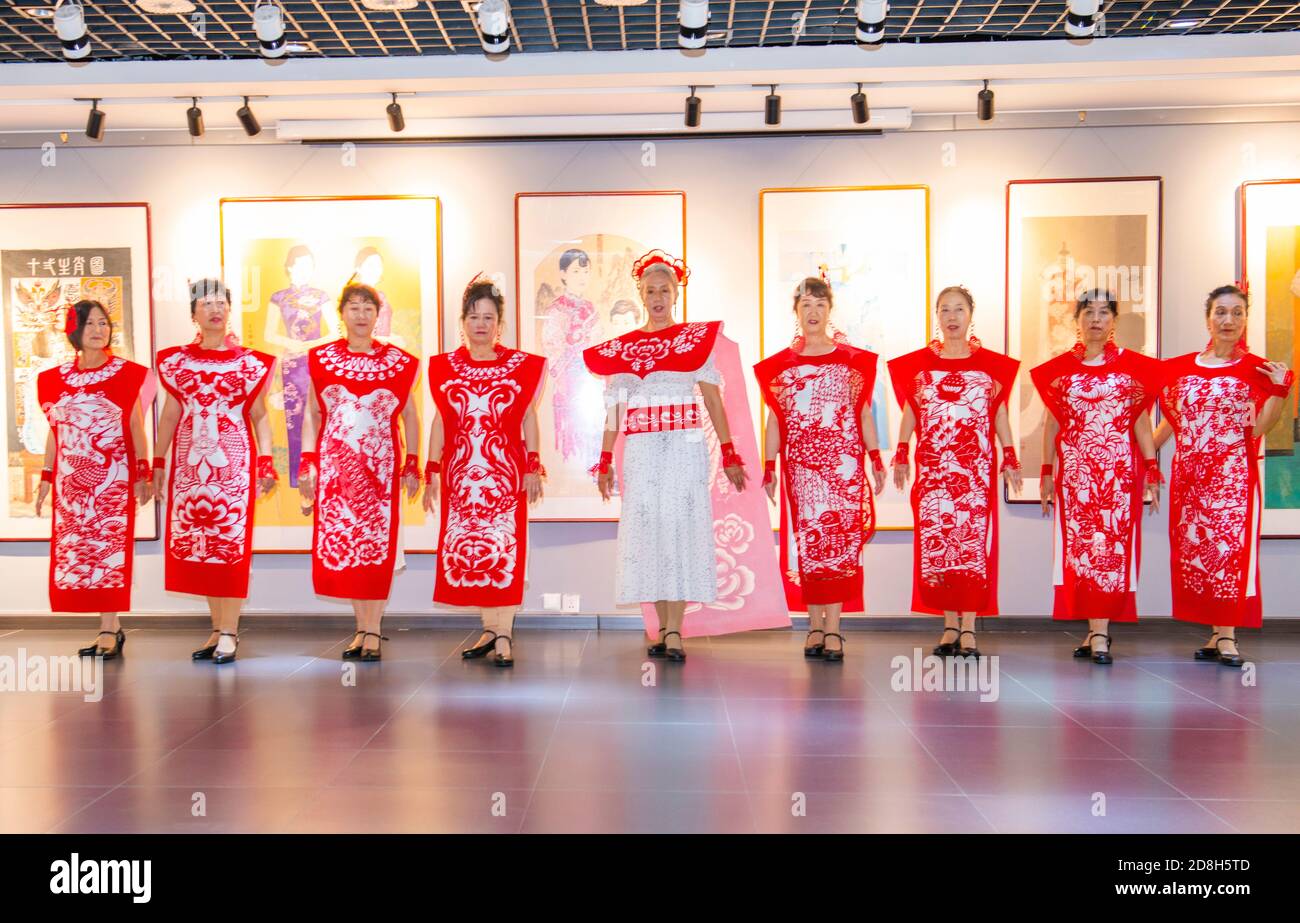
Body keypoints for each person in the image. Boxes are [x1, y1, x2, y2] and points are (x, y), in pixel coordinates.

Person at [582, 249, 748, 662]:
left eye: (664, 290)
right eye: (650, 290)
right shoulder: (625, 349)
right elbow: (616, 407)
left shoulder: (694, 342)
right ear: (641, 293)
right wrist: (604, 458)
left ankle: (674, 629)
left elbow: (713, 400)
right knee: (650, 534)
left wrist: (729, 452)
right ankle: (661, 627)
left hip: (683, 450)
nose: (657, 297)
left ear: (676, 294)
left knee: (679, 531)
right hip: (641, 452)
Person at [1154, 284, 1294, 667]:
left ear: (1246, 319)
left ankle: (1228, 634)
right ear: (1208, 318)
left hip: (1232, 478)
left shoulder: (1258, 370)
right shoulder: (1180, 368)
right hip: (1189, 478)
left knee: (1230, 553)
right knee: (1199, 553)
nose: (1228, 320)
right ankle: (1215, 633)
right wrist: (1147, 458)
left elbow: (1258, 428)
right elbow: (1170, 421)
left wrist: (1279, 392)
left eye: (1236, 312)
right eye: (1220, 312)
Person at [754, 276, 885, 662]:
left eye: (820, 304)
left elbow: (863, 412)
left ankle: (834, 629)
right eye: (806, 304)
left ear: (830, 310)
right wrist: (769, 466)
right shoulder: (783, 367)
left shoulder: (851, 360)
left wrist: (875, 457)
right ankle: (813, 626)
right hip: (804, 469)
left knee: (839, 547)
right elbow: (775, 420)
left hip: (842, 467)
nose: (813, 311)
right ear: (796, 312)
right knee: (810, 548)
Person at [888, 285, 1022, 658]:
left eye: (958, 309)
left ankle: (969, 629)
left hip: (973, 473)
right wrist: (901, 452)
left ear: (970, 315)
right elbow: (911, 412)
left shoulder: (990, 366)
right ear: (937, 316)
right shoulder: (920, 366)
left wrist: (1009, 455)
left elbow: (999, 413)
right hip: (934, 473)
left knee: (971, 547)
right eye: (944, 310)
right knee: (940, 547)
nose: (951, 317)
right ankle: (948, 624)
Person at [1030, 289, 1163, 664]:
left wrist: (1151, 467)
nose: (1096, 319)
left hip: (1117, 476)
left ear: (1114, 322)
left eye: (1104, 313)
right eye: (1088, 312)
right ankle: (1094, 628)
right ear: (1077, 321)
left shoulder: (1130, 368)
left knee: (1110, 551)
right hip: (1076, 475)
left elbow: (1139, 422)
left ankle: (1102, 632)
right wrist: (1046, 471)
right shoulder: (1061, 371)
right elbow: (1051, 423)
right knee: (1083, 553)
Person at [425, 276, 546, 668]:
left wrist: (532, 463)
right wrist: (432, 469)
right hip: (461, 478)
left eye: (488, 317)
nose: (481, 324)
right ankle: (489, 629)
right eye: (474, 316)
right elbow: (440, 423)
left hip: (504, 475)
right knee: (472, 553)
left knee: (502, 550)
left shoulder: (518, 366)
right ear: (463, 322)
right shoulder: (445, 368)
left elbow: (529, 418)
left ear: (500, 324)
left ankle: (505, 633)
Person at [154, 279, 277, 664]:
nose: (215, 309)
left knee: (229, 549)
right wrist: (158, 462)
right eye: (205, 303)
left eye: (221, 302)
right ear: (193, 314)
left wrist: (266, 461)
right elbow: (170, 415)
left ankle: (229, 631)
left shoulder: (248, 363)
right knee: (202, 548)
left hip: (232, 469)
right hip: (191, 469)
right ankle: (214, 627)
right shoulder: (176, 362)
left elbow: (260, 415)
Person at [297, 283, 421, 662]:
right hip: (338, 471)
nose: (361, 314)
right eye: (354, 307)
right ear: (342, 313)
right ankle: (360, 628)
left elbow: (411, 415)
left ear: (377, 314)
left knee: (376, 550)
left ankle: (374, 629)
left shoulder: (397, 362)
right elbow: (313, 415)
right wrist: (308, 460)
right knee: (351, 549)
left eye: (369, 307)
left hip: (380, 469)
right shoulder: (322, 358)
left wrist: (412, 461)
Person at [34, 299, 152, 658]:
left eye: (104, 323)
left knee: (109, 552)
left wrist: (143, 472)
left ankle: (107, 626)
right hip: (71, 484)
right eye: (90, 324)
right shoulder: (53, 380)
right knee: (81, 554)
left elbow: (136, 426)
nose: (99, 330)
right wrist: (47, 475)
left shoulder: (130, 374)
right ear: (75, 331)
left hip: (110, 481)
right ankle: (111, 630)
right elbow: (56, 432)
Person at [263, 245, 334, 488]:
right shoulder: (279, 297)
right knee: (294, 418)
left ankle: (322, 472)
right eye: (300, 264)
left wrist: (311, 345)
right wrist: (292, 344)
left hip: (316, 364)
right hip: (292, 364)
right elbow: (269, 334)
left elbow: (336, 332)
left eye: (309, 265)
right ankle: (299, 477)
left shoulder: (321, 296)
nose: (305, 269)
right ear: (290, 267)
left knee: (318, 416)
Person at [541, 249, 602, 464]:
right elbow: (552, 346)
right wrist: (574, 351)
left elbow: (598, 344)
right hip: (569, 381)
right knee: (571, 442)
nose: (582, 276)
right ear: (563, 274)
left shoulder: (591, 309)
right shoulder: (556, 309)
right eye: (576, 271)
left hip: (591, 382)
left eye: (586, 271)